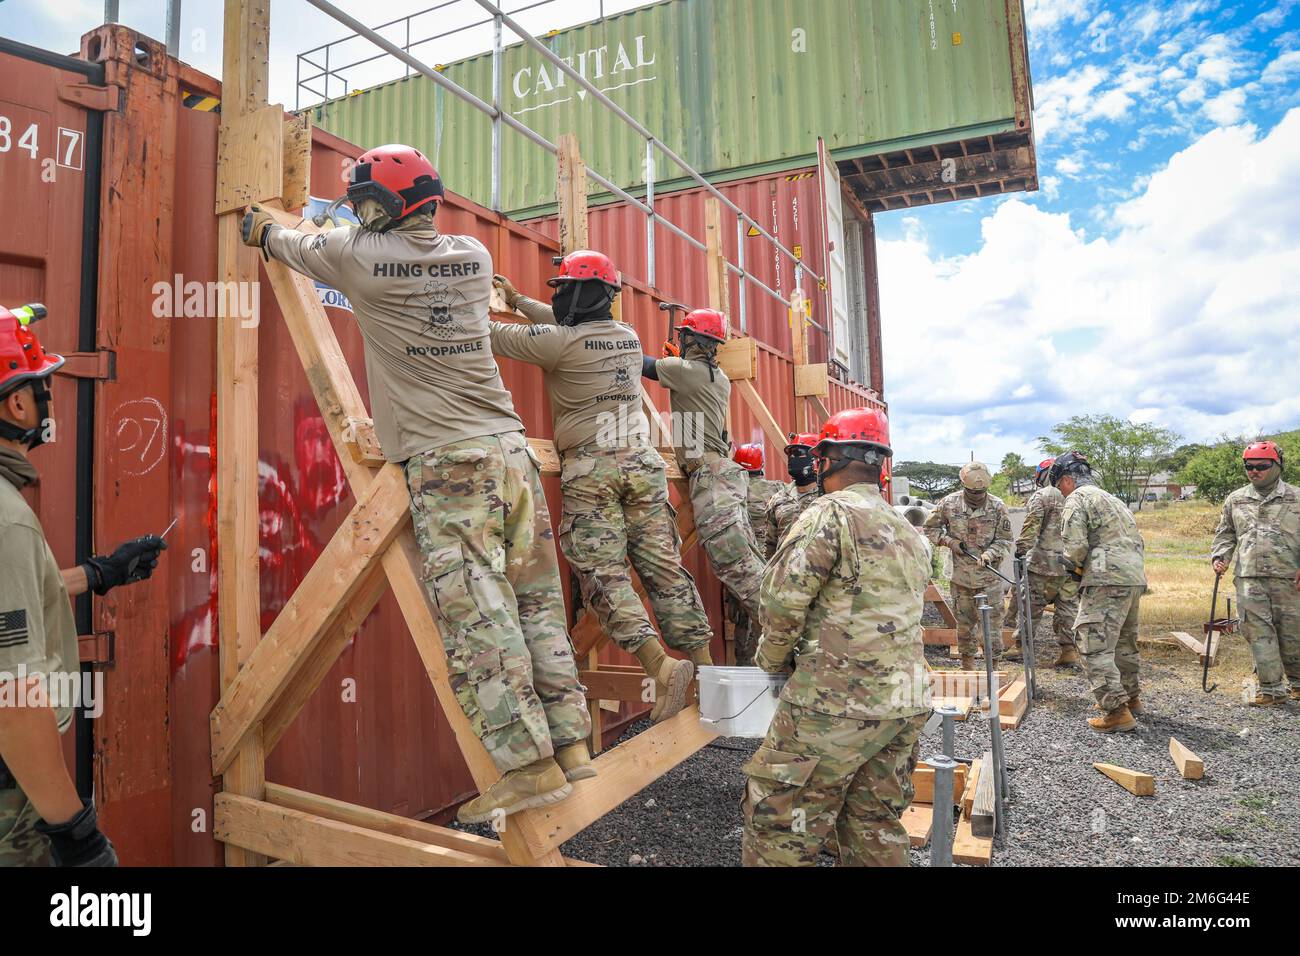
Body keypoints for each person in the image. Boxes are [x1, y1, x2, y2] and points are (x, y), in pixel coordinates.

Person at [241, 144, 591, 823]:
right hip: (509, 452)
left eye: (364, 200)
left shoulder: (356, 256)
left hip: (447, 462)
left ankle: (528, 767)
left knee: (478, 614)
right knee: (537, 601)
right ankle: (572, 746)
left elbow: (277, 240)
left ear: (378, 207)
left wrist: (258, 223)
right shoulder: (474, 257)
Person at [490, 257, 711, 721]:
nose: (557, 297)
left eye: (564, 288)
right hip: (643, 465)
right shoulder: (627, 337)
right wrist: (521, 301)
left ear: (578, 293)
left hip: (594, 470)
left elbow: (493, 336)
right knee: (663, 568)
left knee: (605, 574)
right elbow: (567, 326)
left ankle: (660, 666)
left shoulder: (558, 344)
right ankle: (706, 672)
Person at [0, 303, 166, 867]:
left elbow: (17, 594)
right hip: (10, 792)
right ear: (18, 402)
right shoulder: (8, 521)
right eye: (42, 387)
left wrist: (101, 573)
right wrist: (77, 837)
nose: (48, 402)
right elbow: (13, 700)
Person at [744, 407, 930, 866]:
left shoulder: (828, 514)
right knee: (874, 825)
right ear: (879, 464)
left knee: (782, 825)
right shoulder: (905, 528)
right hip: (904, 702)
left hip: (834, 704)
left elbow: (783, 601)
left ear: (828, 460)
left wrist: (770, 664)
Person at [641, 309, 767, 621]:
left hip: (711, 475)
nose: (680, 341)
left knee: (736, 566)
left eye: (684, 336)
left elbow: (642, 366)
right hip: (724, 474)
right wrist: (678, 362)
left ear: (692, 340)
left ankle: (790, 632)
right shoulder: (717, 376)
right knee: (748, 560)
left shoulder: (685, 371)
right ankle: (790, 630)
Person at [1052, 451, 1147, 732]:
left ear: (1067, 480)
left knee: (1093, 642)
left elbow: (1075, 547)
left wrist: (1071, 567)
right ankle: (1131, 698)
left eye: (1059, 486)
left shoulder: (1077, 499)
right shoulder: (1114, 500)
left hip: (1105, 577)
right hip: (1131, 577)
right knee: (1123, 642)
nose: (1060, 492)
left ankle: (1115, 710)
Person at [1211, 440, 1300, 705]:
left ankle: (1297, 684)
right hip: (1249, 579)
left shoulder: (1296, 497)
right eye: (1249, 466)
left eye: (1262, 466)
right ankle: (1271, 689)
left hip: (1290, 580)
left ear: (1277, 465)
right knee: (1257, 633)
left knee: (1293, 633)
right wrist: (1220, 556)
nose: (1254, 471)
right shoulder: (1236, 499)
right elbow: (1225, 533)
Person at [923, 462, 1013, 668]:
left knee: (992, 628)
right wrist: (950, 542)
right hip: (961, 578)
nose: (977, 496)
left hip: (989, 579)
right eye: (973, 493)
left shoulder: (997, 506)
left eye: (981, 493)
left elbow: (1005, 540)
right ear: (964, 486)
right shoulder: (948, 503)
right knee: (964, 627)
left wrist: (990, 553)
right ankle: (968, 670)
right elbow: (930, 528)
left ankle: (993, 671)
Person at [1004, 457, 1080, 667]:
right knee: (1068, 609)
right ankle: (1069, 651)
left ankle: (1021, 647)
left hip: (1042, 565)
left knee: (1031, 607)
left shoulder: (1042, 496)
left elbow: (1030, 530)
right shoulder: (1078, 496)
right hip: (1070, 565)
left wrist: (1020, 554)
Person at [726, 442, 783, 664]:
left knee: (742, 622)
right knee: (768, 618)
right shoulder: (777, 489)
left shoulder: (731, 491)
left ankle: (744, 667)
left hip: (740, 567)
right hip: (769, 566)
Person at [761, 432, 821, 559]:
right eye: (790, 454)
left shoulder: (827, 496)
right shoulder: (778, 499)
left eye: (798, 453)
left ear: (816, 459)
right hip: (784, 575)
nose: (792, 458)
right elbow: (770, 545)